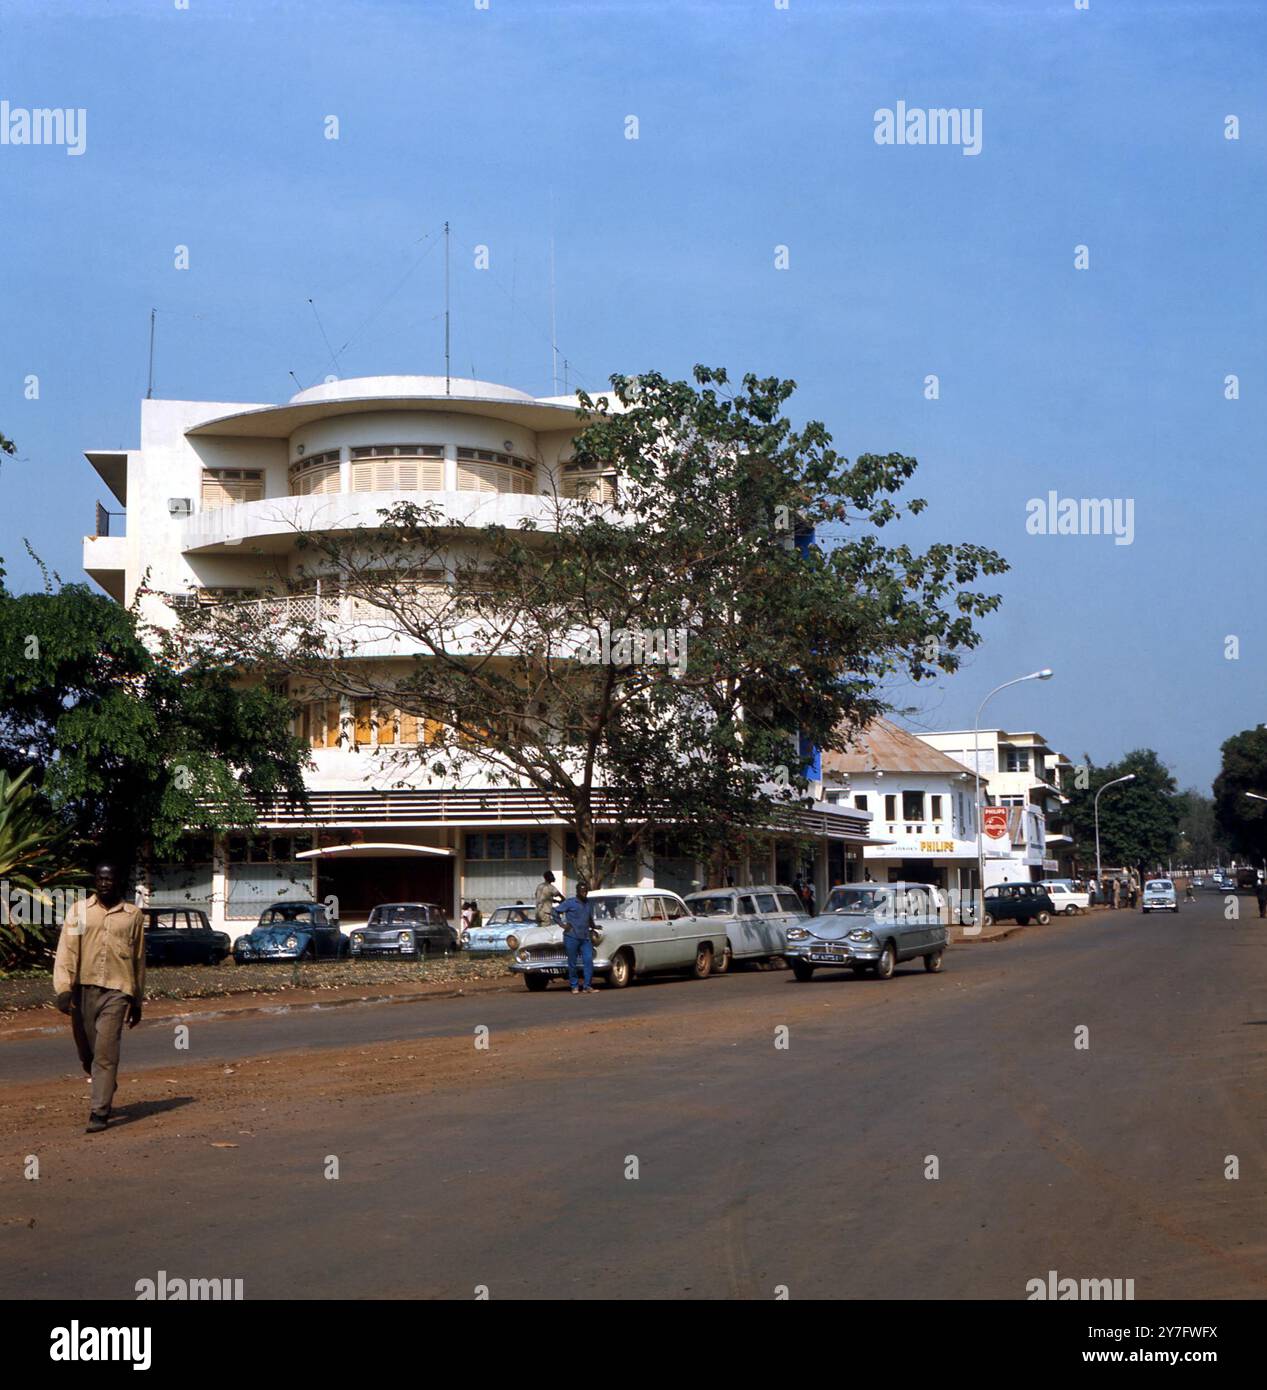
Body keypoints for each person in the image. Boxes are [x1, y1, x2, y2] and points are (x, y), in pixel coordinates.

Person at [52, 862, 145, 1134]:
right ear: (95, 881)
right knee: (87, 1053)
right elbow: (67, 950)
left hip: (117, 990)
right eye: (100, 879)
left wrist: (137, 1000)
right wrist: (64, 989)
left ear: (119, 882)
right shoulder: (80, 912)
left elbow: (139, 959)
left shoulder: (133, 916)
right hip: (83, 990)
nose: (105, 883)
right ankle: (105, 1082)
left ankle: (99, 1111)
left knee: (106, 1052)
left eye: (110, 878)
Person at [552, 880, 596, 994]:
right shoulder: (570, 902)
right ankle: (574, 986)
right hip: (571, 936)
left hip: (585, 937)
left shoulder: (587, 903)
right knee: (572, 962)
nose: (584, 893)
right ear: (577, 891)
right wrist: (562, 925)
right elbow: (555, 912)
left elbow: (588, 917)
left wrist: (594, 926)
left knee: (588, 960)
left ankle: (587, 986)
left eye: (585, 891)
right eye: (582, 891)